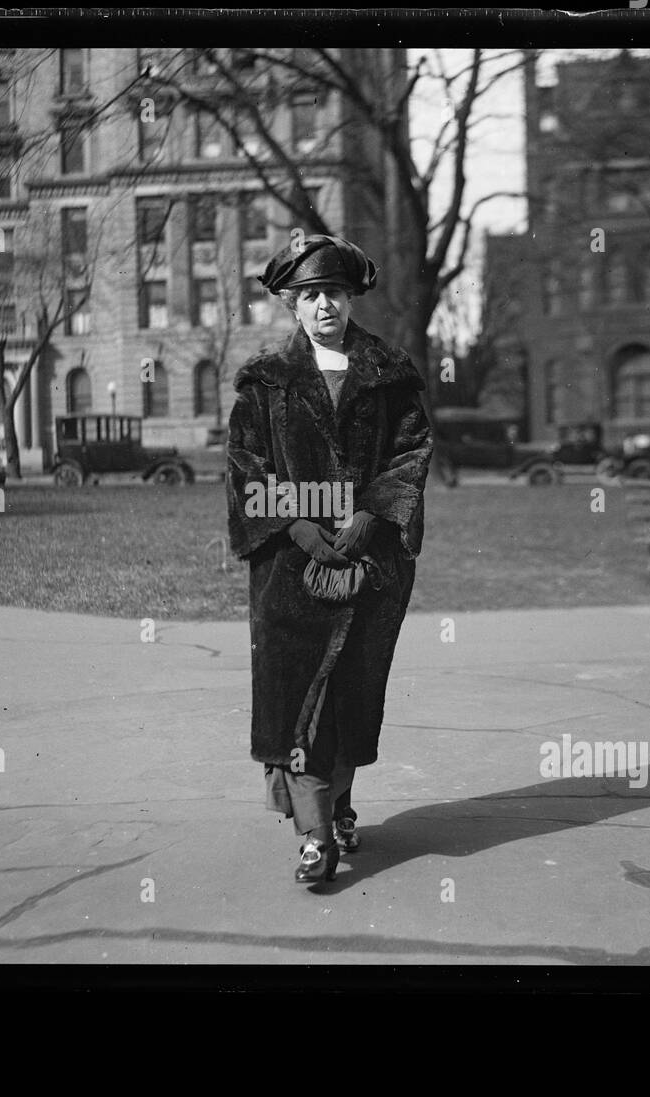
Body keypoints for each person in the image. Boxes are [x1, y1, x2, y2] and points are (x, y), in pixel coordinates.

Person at [226, 233, 433, 885]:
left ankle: (340, 805)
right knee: (298, 707)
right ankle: (316, 837)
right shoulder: (266, 382)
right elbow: (244, 463)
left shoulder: (391, 375)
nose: (325, 307)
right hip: (292, 574)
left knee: (350, 698)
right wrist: (294, 521)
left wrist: (374, 510)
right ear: (293, 303)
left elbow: (412, 451)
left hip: (368, 565)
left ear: (351, 299)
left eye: (335, 294)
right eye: (312, 295)